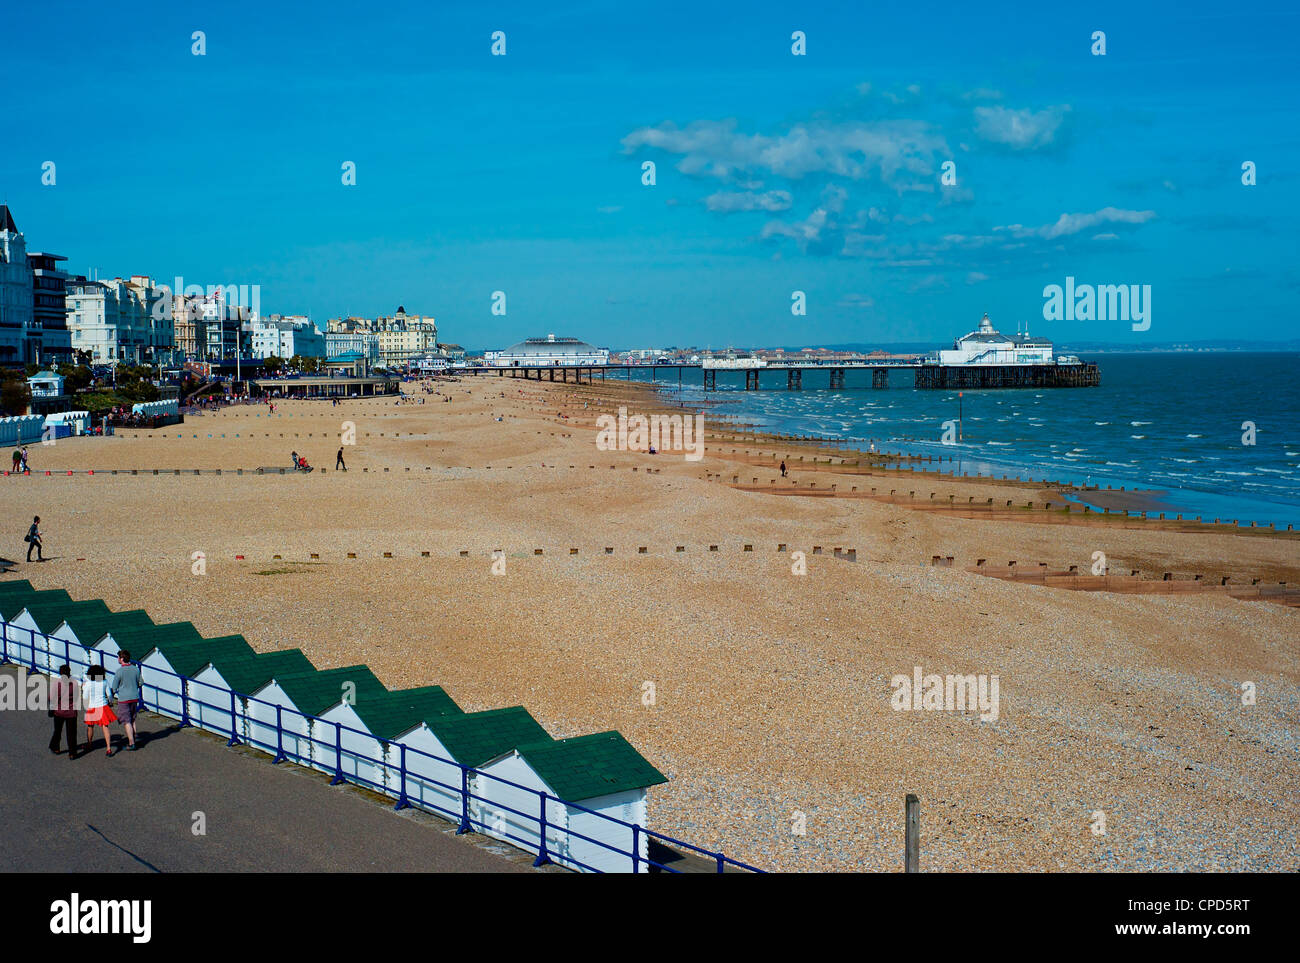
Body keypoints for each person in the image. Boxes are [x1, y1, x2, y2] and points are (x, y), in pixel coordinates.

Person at [108, 650, 144, 751]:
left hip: (124, 698)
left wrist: (112, 695)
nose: (118, 659)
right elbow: (141, 682)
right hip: (134, 696)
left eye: (118, 657)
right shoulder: (135, 669)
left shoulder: (119, 671)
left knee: (126, 721)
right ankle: (134, 739)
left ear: (122, 659)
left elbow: (114, 687)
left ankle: (131, 742)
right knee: (132, 719)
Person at [82, 665, 118, 757]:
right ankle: (109, 748)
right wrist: (110, 702)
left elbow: (85, 696)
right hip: (103, 706)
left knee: (90, 726)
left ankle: (89, 744)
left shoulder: (89, 683)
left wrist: (83, 687)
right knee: (105, 727)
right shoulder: (104, 682)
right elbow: (109, 695)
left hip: (92, 706)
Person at [49, 664, 78, 759]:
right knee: (71, 733)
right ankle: (72, 752)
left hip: (59, 712)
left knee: (57, 730)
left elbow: (52, 698)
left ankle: (55, 747)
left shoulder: (57, 683)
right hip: (71, 712)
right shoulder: (74, 683)